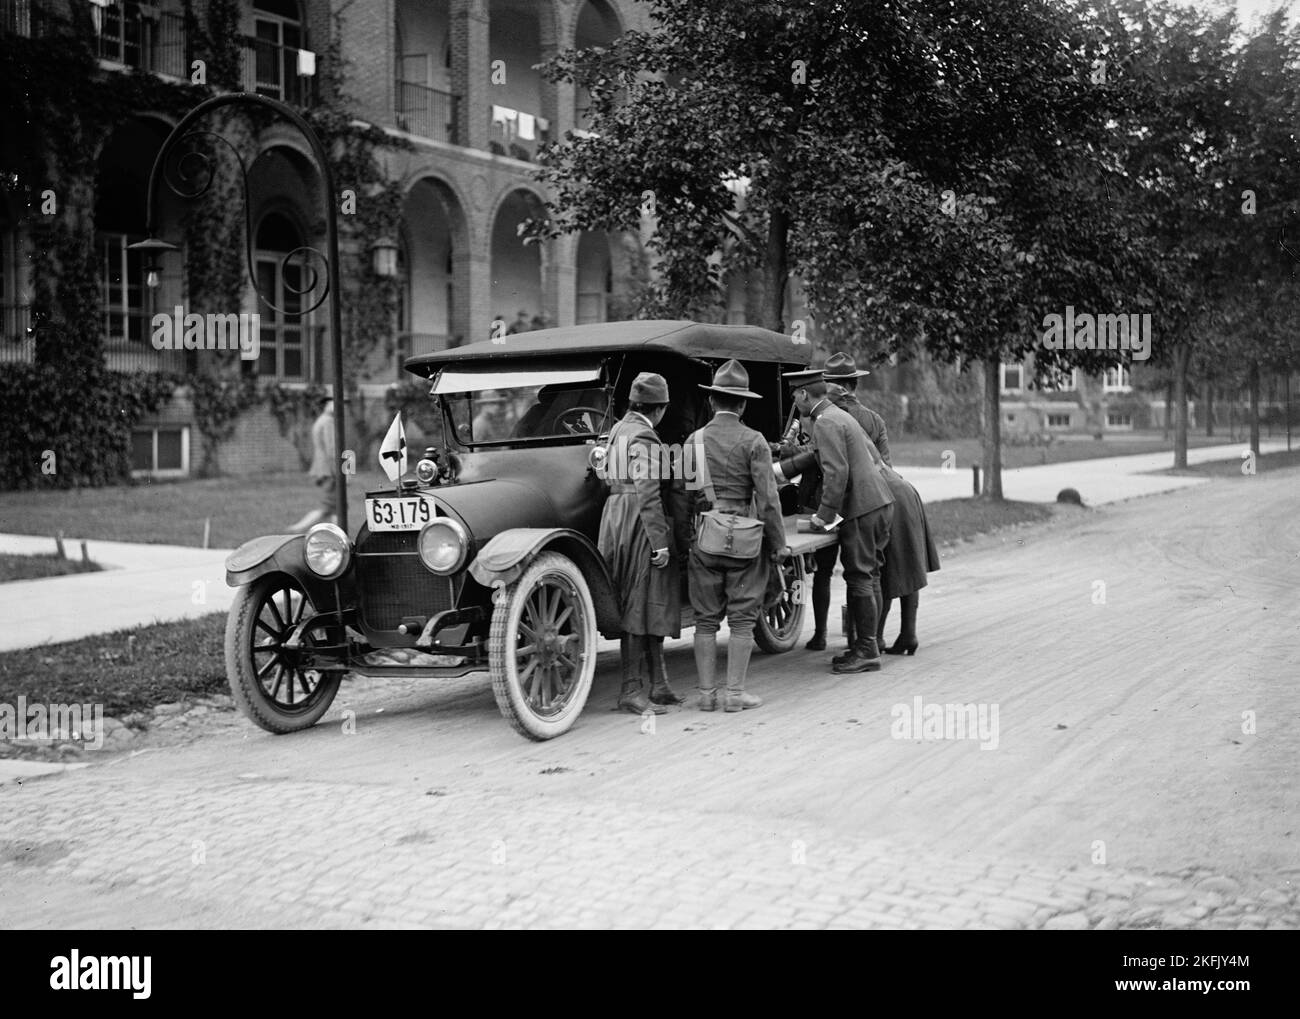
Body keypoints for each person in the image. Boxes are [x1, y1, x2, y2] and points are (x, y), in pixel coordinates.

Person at [680, 360, 789, 712]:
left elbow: (681, 497)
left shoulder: (692, 442)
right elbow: (769, 499)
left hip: (705, 537)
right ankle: (735, 694)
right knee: (743, 618)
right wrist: (778, 544)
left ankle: (707, 694)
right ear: (742, 404)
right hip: (745, 539)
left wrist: (686, 541)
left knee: (705, 619)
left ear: (712, 402)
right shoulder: (755, 441)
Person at [786, 372, 894, 674]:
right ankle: (867, 645)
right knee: (869, 574)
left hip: (861, 508)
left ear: (805, 395)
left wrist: (824, 514)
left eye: (795, 396)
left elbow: (836, 472)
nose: (794, 402)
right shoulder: (837, 416)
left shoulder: (826, 422)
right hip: (878, 502)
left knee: (859, 575)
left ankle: (866, 650)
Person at [597, 372, 683, 714]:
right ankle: (632, 690)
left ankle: (659, 685)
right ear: (659, 409)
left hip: (615, 516)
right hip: (638, 520)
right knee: (639, 603)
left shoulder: (619, 428)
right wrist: (660, 541)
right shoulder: (645, 435)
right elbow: (648, 491)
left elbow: (606, 475)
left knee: (644, 602)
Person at [821, 351, 891, 464]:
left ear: (842, 387)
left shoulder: (824, 417)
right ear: (855, 382)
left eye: (827, 383)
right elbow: (886, 466)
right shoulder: (876, 420)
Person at [289, 397, 338, 532]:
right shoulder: (328, 422)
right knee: (330, 505)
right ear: (327, 405)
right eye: (333, 402)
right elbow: (331, 448)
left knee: (335, 506)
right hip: (329, 469)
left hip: (321, 467)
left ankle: (338, 531)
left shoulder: (320, 420)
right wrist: (337, 470)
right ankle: (297, 528)